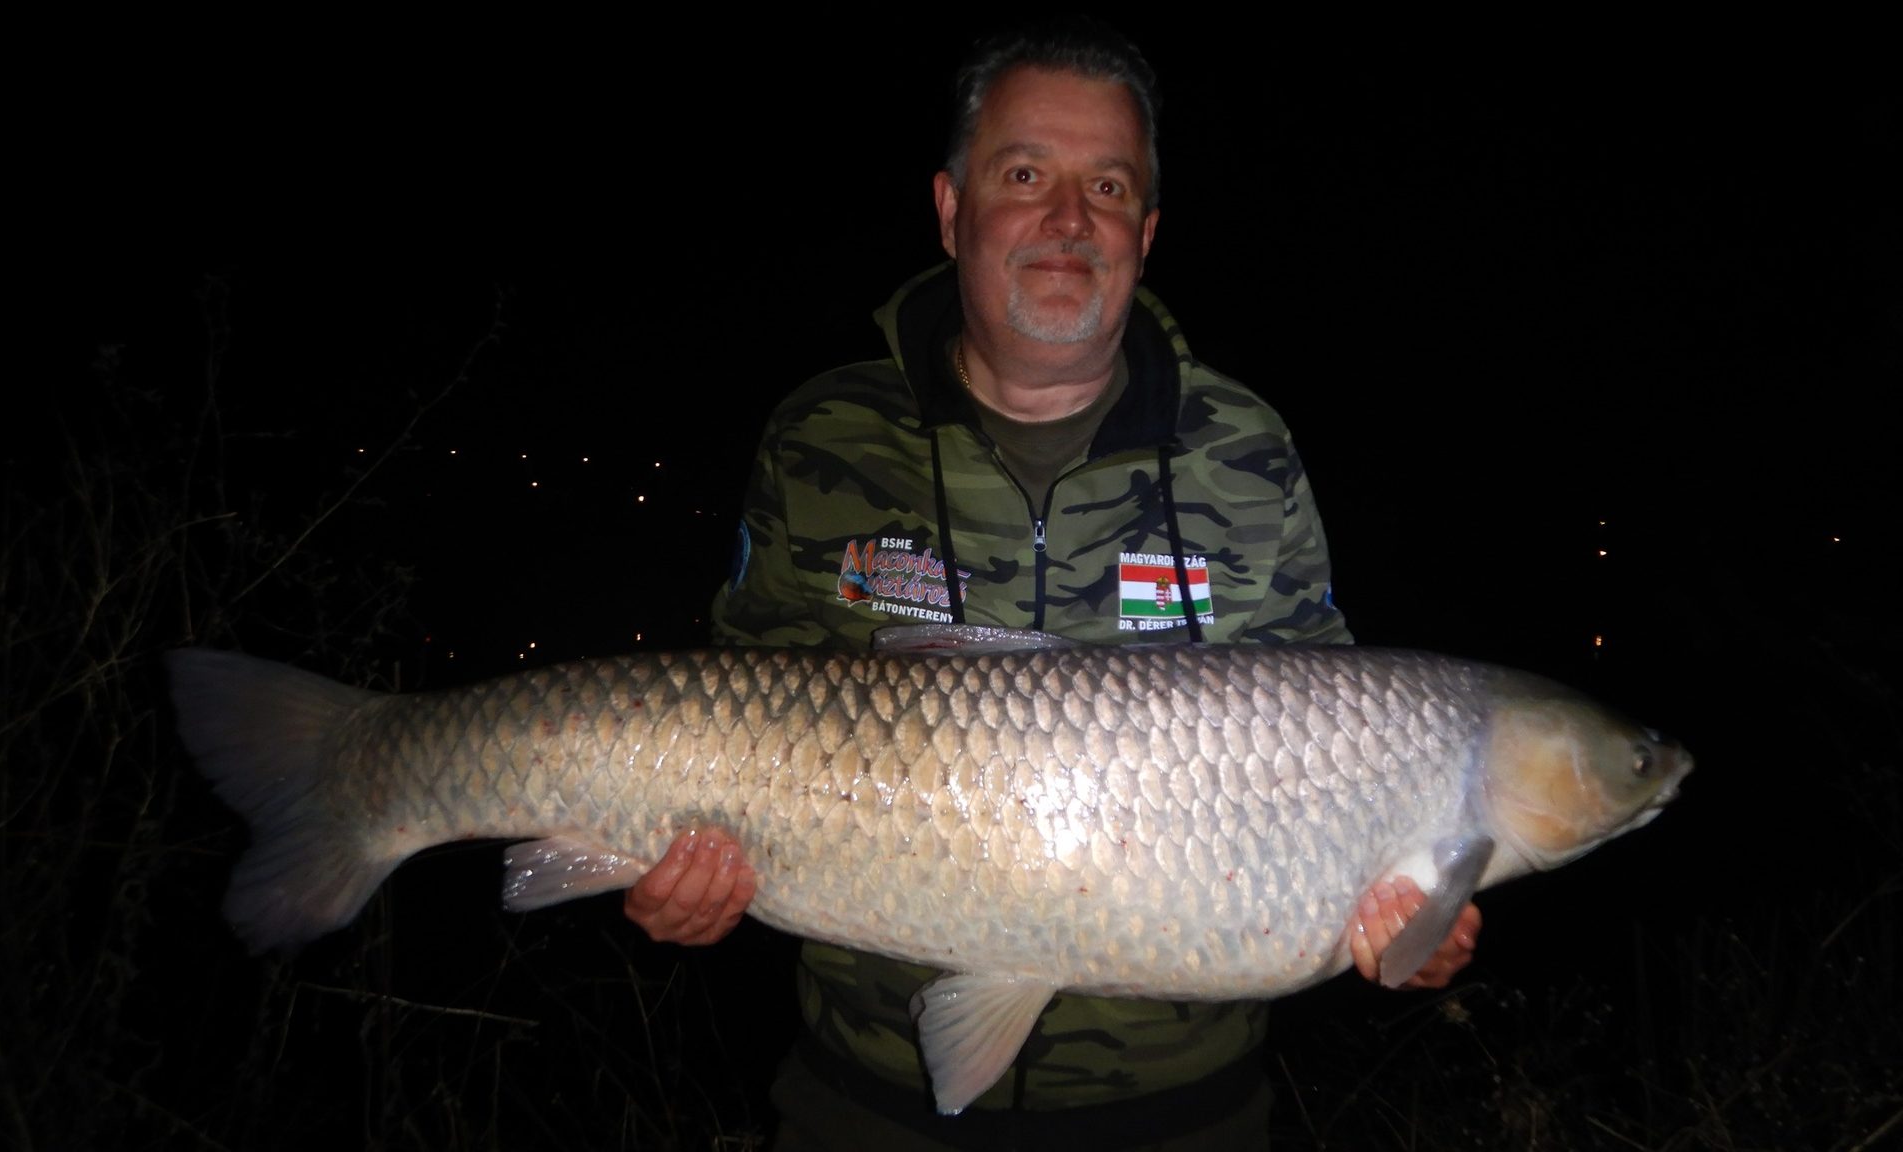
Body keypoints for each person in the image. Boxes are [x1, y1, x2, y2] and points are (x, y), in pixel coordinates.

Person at [622, 18, 1481, 1150]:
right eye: (1024, 174)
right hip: (858, 1101)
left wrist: (1409, 924)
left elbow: (1334, 744)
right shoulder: (825, 434)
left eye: (1107, 186)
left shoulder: (1242, 447)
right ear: (950, 207)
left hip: (1186, 1114)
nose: (1067, 220)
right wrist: (669, 856)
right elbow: (729, 703)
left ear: (1147, 230)